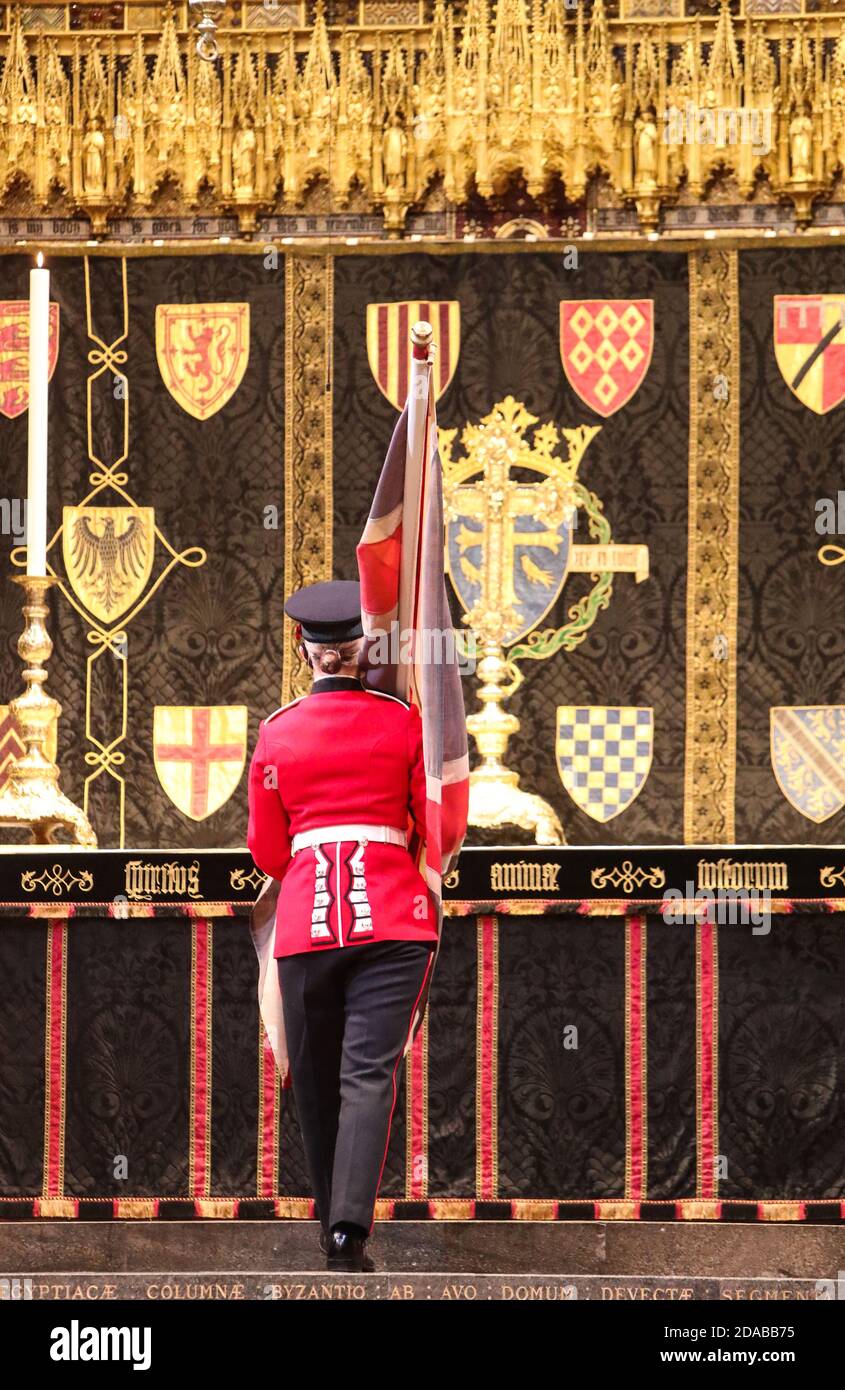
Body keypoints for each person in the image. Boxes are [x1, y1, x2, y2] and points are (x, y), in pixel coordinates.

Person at [246, 578, 438, 1273]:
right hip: (395, 919)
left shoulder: (276, 731)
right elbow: (435, 821)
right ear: (365, 651)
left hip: (305, 926)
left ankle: (329, 1218)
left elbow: (267, 849)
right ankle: (346, 1232)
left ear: (306, 651)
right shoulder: (406, 721)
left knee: (317, 1078)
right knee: (367, 1076)